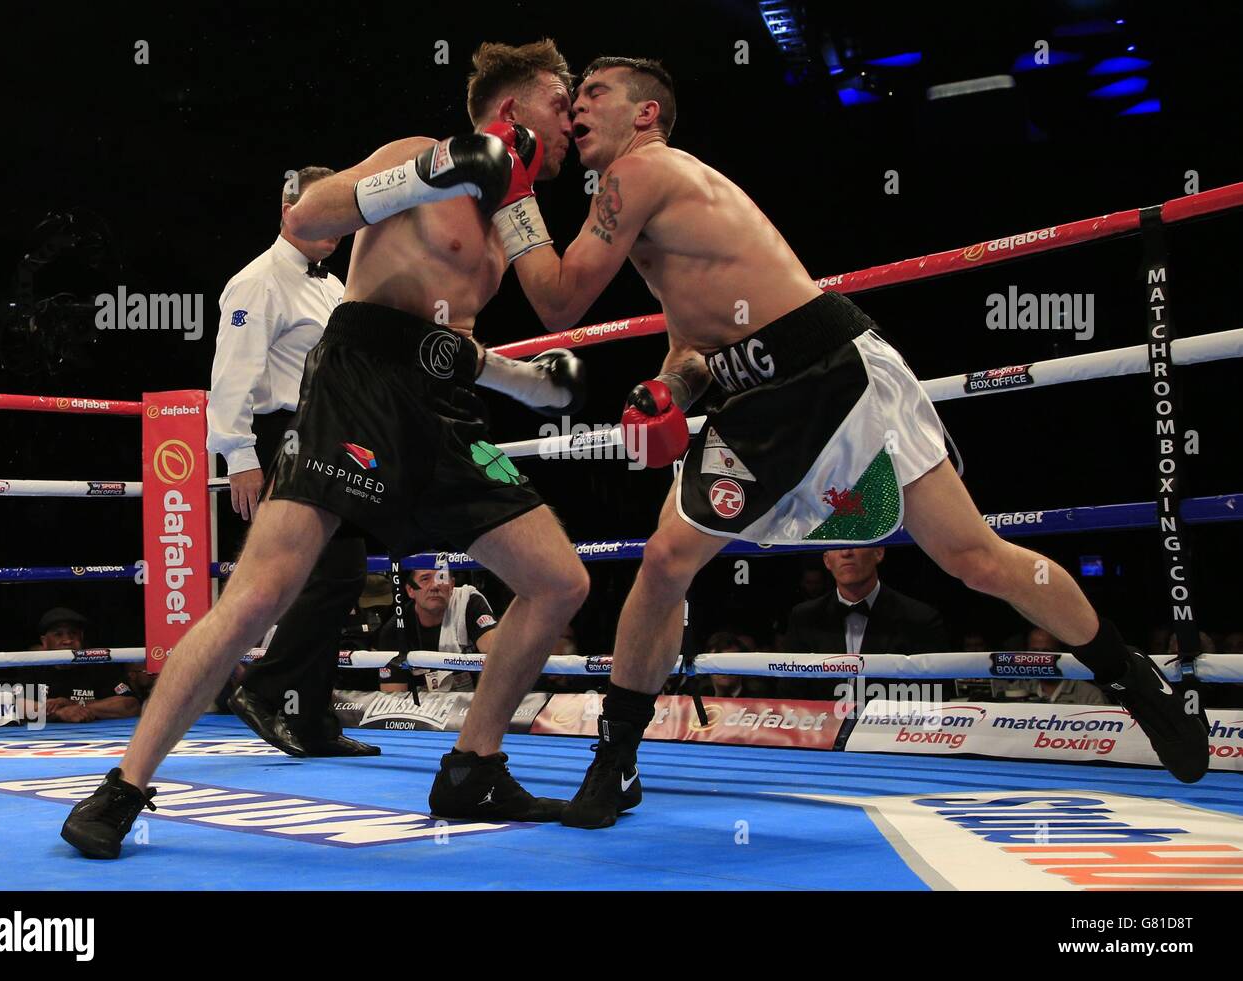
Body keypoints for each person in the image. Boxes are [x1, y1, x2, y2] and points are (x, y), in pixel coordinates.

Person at [497, 56, 1209, 827]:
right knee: (666, 560)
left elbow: (557, 298)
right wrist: (670, 388)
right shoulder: (648, 209)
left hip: (834, 372)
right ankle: (618, 759)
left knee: (972, 556)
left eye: (595, 94)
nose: (576, 112)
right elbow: (694, 349)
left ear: (646, 115)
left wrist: (510, 188)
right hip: (756, 397)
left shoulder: (643, 174)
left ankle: (1136, 679)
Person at [62, 39, 589, 860]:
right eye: (562, 105)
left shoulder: (516, 208)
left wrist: (529, 385)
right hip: (359, 381)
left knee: (560, 579)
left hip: (443, 406)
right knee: (261, 594)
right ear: (513, 111)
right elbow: (305, 219)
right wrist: (436, 168)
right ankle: (124, 785)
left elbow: (465, 337)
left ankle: (472, 766)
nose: (574, 122)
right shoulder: (418, 157)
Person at [207, 164, 377, 758]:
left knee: (340, 575)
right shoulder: (256, 281)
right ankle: (267, 687)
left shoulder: (332, 288)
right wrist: (239, 455)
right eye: (323, 210)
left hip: (334, 440)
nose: (336, 225)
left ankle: (310, 718)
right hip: (287, 438)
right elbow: (231, 378)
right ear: (289, 210)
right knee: (329, 574)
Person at [777, 546, 949, 700]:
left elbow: (934, 695)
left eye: (855, 543)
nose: (846, 553)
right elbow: (790, 693)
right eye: (837, 546)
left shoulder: (919, 619)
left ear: (878, 552)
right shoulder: (804, 618)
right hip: (823, 731)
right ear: (827, 560)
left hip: (890, 731)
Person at [377, 567, 499, 692]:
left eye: (442, 578)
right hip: (421, 707)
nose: (435, 586)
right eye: (425, 579)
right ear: (410, 590)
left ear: (451, 585)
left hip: (474, 702)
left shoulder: (467, 602)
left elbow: (498, 653)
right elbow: (393, 695)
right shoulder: (395, 629)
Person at [32, 608, 141, 724]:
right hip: (45, 739)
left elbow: (131, 705)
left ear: (81, 637)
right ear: (44, 642)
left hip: (99, 737)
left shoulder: (100, 666)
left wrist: (75, 705)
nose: (68, 640)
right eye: (58, 634)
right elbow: (17, 705)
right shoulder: (34, 668)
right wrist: (59, 714)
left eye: (73, 633)